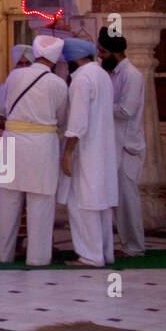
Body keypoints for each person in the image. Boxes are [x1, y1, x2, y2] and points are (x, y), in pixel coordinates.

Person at [0, 35, 68, 266]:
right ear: (54, 59)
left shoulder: (14, 76)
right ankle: (38, 258)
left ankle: (2, 253)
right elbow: (62, 119)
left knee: (7, 200)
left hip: (13, 143)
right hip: (42, 146)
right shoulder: (58, 84)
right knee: (40, 201)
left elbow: (3, 109)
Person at [58, 39, 118, 268]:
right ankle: (104, 253)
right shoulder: (101, 75)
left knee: (82, 204)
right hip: (102, 149)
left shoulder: (82, 79)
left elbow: (78, 122)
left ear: (73, 59)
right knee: (99, 203)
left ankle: (90, 256)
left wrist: (68, 153)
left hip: (87, 151)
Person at [98, 27, 145, 257]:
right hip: (111, 146)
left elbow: (126, 110)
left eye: (103, 51)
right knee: (114, 199)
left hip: (127, 147)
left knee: (128, 200)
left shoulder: (132, 75)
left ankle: (135, 247)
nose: (100, 56)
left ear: (115, 53)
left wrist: (98, 105)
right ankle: (124, 244)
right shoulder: (110, 72)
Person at [0, 44, 35, 131]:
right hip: (13, 138)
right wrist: (18, 129)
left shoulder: (41, 87)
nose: (24, 67)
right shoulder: (5, 88)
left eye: (27, 63)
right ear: (15, 66)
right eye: (20, 63)